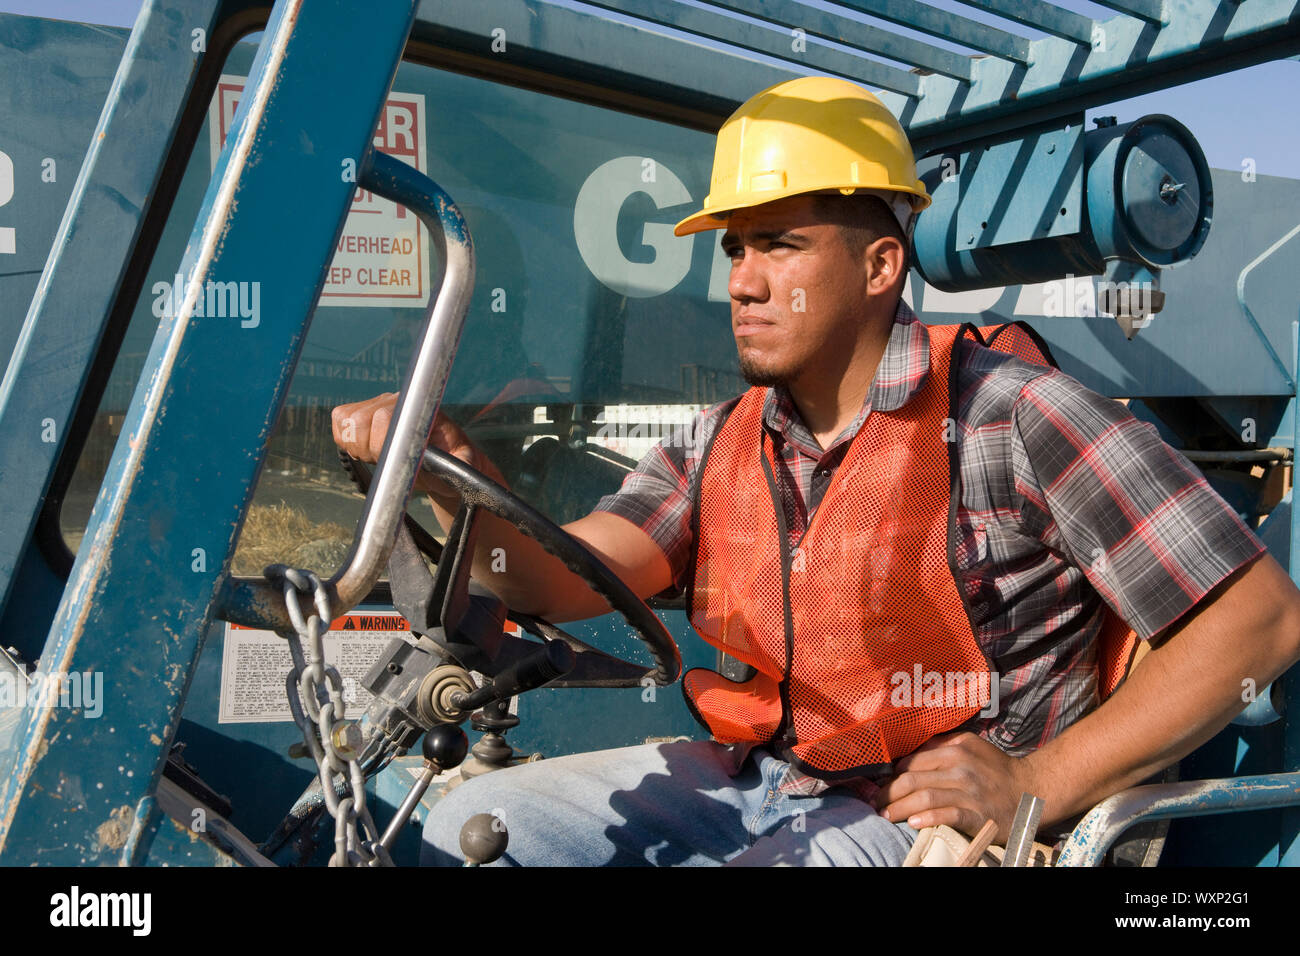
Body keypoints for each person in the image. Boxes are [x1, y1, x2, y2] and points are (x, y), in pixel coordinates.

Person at [332, 77, 1300, 866]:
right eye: (735, 246)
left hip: (923, 822)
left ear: (881, 267)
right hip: (752, 779)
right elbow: (559, 572)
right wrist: (450, 476)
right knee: (467, 831)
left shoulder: (1012, 414)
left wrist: (1032, 780)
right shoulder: (724, 439)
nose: (741, 280)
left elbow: (1259, 618)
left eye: (780, 243)